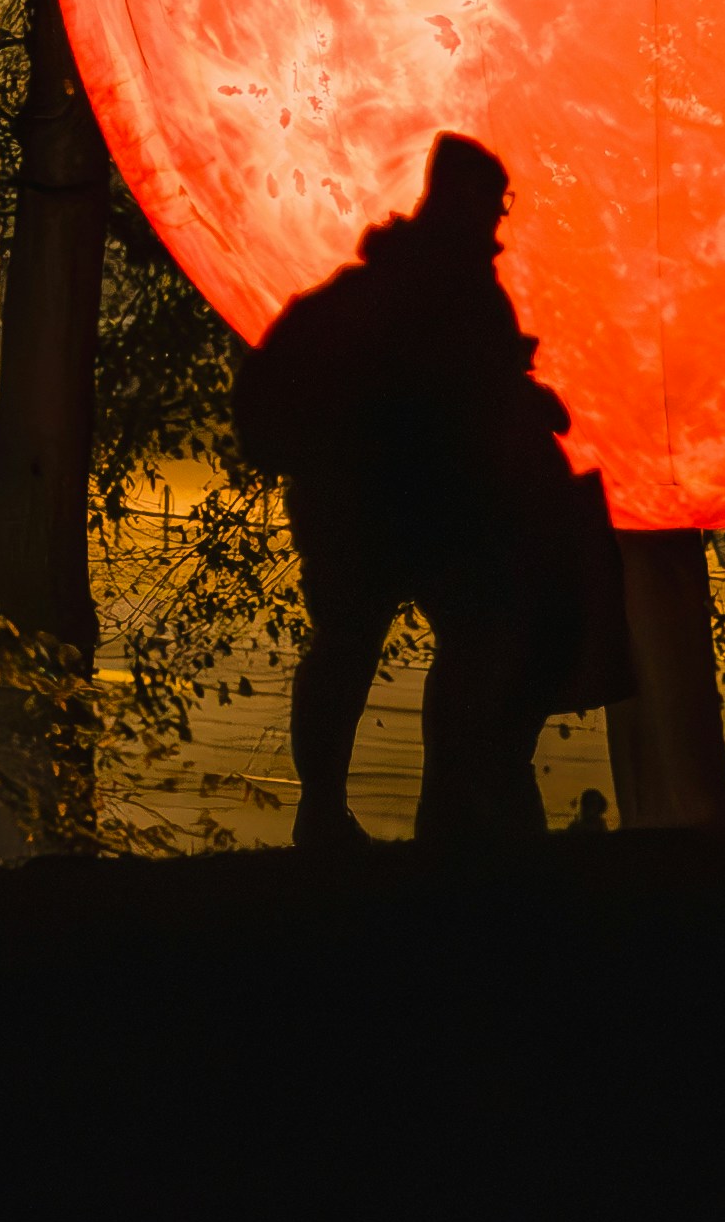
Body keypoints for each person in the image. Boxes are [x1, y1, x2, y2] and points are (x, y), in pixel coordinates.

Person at [228, 135, 580, 847]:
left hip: (364, 502)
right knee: (459, 641)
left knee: (362, 645)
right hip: (414, 502)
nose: (499, 221)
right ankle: (434, 807)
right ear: (468, 201)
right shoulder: (455, 292)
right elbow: (463, 393)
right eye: (496, 203)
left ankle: (338, 808)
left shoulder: (381, 288)